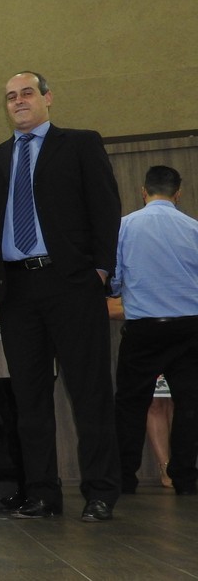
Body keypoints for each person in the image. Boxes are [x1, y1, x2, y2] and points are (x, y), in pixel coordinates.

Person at [0, 71, 122, 521]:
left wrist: (101, 270)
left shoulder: (81, 144)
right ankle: (42, 494)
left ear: (47, 98)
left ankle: (100, 492)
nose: (18, 101)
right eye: (10, 97)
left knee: (89, 393)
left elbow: (106, 208)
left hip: (72, 285)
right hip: (17, 292)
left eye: (27, 93)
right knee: (29, 399)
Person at [110, 165, 198, 496]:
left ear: (144, 192)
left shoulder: (124, 227)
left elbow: (114, 280)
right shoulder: (193, 228)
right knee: (190, 404)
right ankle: (185, 478)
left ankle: (124, 477)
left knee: (131, 403)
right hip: (190, 326)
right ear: (178, 194)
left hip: (144, 328)